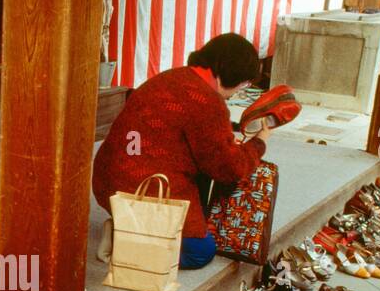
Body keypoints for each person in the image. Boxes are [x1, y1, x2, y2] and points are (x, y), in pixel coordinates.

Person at [93, 33, 270, 269]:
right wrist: (259, 143)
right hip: (146, 189)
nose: (240, 89)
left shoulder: (170, 77)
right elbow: (229, 168)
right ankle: (124, 241)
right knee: (201, 251)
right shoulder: (208, 100)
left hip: (110, 182)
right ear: (233, 74)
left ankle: (129, 225)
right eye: (244, 83)